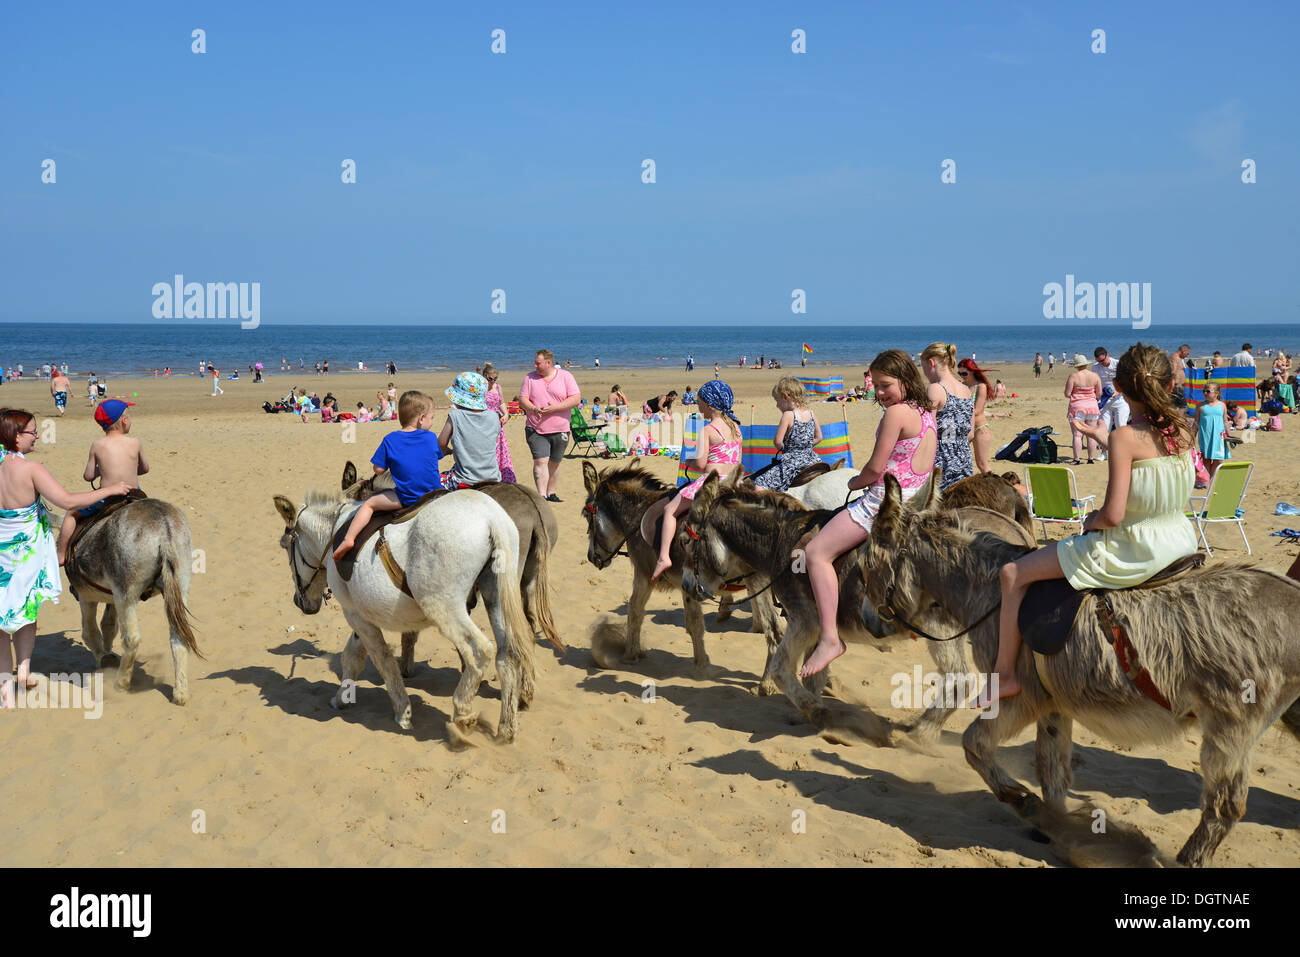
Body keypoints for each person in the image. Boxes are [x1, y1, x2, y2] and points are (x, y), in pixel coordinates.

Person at [985, 344, 1198, 702]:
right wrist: (1106, 440)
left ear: (1119, 387)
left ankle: (1004, 676)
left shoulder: (1124, 438)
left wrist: (1090, 520)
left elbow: (1113, 516)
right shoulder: (1183, 429)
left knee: (1012, 575)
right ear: (1166, 384)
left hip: (1133, 549)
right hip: (1179, 540)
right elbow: (1154, 469)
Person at [800, 350, 938, 678]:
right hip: (915, 502)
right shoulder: (926, 411)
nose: (878, 391)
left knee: (815, 552)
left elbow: (876, 468)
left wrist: (853, 480)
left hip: (881, 505)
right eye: (874, 384)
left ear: (906, 379)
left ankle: (830, 639)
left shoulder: (895, 415)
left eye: (885, 384)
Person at [0, 409, 133, 708]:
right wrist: (110, 490)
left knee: (1, 619)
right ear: (15, 436)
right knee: (25, 612)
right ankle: (22, 671)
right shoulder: (32, 468)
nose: (36, 435)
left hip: (1, 550)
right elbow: (68, 501)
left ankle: (8, 690)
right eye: (32, 431)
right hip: (25, 552)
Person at [649, 381, 742, 581]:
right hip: (734, 482)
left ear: (709, 405)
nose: (699, 407)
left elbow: (700, 465)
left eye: (700, 403)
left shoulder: (708, 430)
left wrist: (689, 460)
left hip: (712, 483)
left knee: (670, 511)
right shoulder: (735, 426)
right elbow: (737, 460)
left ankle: (663, 557)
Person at [332, 391, 441, 560]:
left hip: (407, 497)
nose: (432, 422)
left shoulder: (390, 439)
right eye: (431, 418)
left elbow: (378, 470)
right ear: (421, 418)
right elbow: (434, 456)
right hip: (434, 494)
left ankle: (349, 539)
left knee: (369, 504)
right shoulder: (431, 437)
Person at [54, 399, 148, 566]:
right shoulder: (135, 442)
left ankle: (61, 555)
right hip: (134, 494)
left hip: (107, 497)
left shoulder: (97, 445)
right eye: (130, 416)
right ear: (124, 421)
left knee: (72, 513)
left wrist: (101, 471)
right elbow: (145, 469)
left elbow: (88, 476)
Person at [518, 349, 580, 503]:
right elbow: (522, 400)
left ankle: (551, 492)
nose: (535, 365)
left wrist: (556, 408)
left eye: (538, 363)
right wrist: (533, 408)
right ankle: (541, 496)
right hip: (535, 428)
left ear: (548, 363)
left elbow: (575, 398)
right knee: (540, 461)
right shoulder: (530, 378)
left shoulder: (566, 376)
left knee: (554, 462)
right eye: (535, 363)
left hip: (561, 428)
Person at [752, 377, 822, 492]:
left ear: (785, 397)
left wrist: (787, 449)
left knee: (759, 483)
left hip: (792, 462)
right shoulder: (811, 413)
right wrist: (805, 446)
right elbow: (819, 437)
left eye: (777, 400)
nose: (777, 405)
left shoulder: (788, 415)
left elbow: (777, 442)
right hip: (813, 459)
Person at [923, 343, 973, 491]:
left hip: (942, 466)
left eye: (923, 367)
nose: (924, 373)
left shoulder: (935, 389)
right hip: (965, 464)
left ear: (931, 363)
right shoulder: (966, 390)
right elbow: (970, 434)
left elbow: (927, 432)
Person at [438, 372, 501, 489]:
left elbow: (441, 443)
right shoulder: (493, 415)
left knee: (431, 483)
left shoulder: (455, 415)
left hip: (464, 479)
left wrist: (445, 451)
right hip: (492, 477)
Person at [1064, 354, 1103, 465]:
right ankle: (1090, 459)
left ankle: (1077, 459)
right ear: (1086, 364)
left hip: (1077, 407)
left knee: (1077, 435)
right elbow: (1099, 393)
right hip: (1092, 407)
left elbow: (1067, 394)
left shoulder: (1073, 376)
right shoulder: (1095, 376)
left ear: (1076, 366)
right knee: (1091, 434)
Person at [481, 363, 516, 482]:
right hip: (484, 423)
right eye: (490, 379)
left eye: (495, 378)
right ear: (485, 376)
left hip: (497, 424)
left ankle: (501, 477)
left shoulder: (497, 387)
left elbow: (501, 402)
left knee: (500, 451)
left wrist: (506, 414)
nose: (492, 381)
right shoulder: (480, 388)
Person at [957, 358, 992, 474]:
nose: (962, 376)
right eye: (959, 373)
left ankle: (993, 487)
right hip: (966, 428)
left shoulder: (981, 386)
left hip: (979, 428)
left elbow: (977, 410)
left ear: (972, 371)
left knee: (982, 465)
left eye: (964, 373)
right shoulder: (962, 385)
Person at [1195, 382, 1231, 483]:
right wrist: (1192, 436)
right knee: (1206, 459)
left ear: (1216, 393)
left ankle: (1211, 478)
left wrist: (1230, 435)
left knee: (1218, 460)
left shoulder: (1222, 405)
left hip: (1219, 437)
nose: (1205, 393)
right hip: (1205, 436)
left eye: (1208, 391)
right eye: (1204, 391)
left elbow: (1225, 421)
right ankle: (1206, 480)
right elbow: (1196, 422)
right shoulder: (1200, 406)